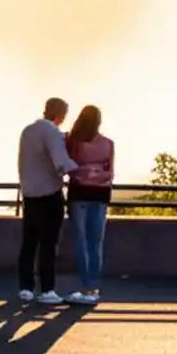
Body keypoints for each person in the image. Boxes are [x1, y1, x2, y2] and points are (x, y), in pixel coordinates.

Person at [17, 98, 78, 304]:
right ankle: (47, 290)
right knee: (49, 244)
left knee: (29, 243)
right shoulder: (52, 132)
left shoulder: (27, 131)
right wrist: (83, 170)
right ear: (60, 114)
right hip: (49, 194)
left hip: (29, 193)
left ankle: (25, 288)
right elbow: (61, 162)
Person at [64, 105, 113, 305]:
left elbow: (69, 169)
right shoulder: (108, 144)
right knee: (96, 242)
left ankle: (85, 284)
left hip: (79, 194)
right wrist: (97, 174)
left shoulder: (73, 142)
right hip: (100, 195)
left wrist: (84, 172)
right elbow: (110, 173)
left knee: (80, 240)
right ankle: (92, 286)